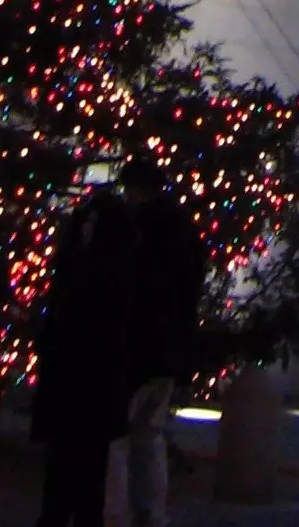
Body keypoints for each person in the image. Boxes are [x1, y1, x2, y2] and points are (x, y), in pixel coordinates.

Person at [32, 163, 206, 527]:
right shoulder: (183, 232)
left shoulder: (131, 235)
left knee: (116, 442)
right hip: (168, 354)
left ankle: (115, 516)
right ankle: (152, 514)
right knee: (150, 437)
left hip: (137, 354)